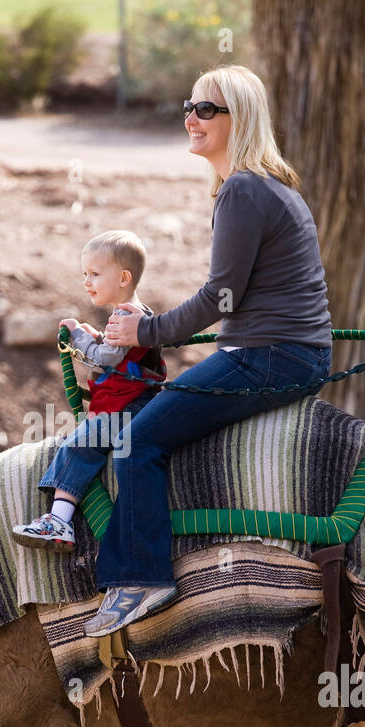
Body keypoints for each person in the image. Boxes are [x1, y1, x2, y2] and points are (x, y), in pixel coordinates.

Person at [83, 64, 334, 638]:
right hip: (287, 354)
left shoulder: (244, 189)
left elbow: (220, 296)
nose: (190, 119)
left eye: (205, 110)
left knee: (139, 439)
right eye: (189, 106)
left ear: (237, 119)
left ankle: (143, 579)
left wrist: (143, 335)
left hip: (268, 357)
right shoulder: (262, 186)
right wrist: (156, 326)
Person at [12, 230, 165, 552]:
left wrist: (79, 339)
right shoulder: (137, 312)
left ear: (124, 277)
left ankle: (59, 521)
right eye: (85, 274)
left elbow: (107, 358)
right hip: (135, 400)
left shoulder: (125, 315)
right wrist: (93, 335)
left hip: (129, 405)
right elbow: (116, 351)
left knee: (79, 444)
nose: (87, 281)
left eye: (95, 274)